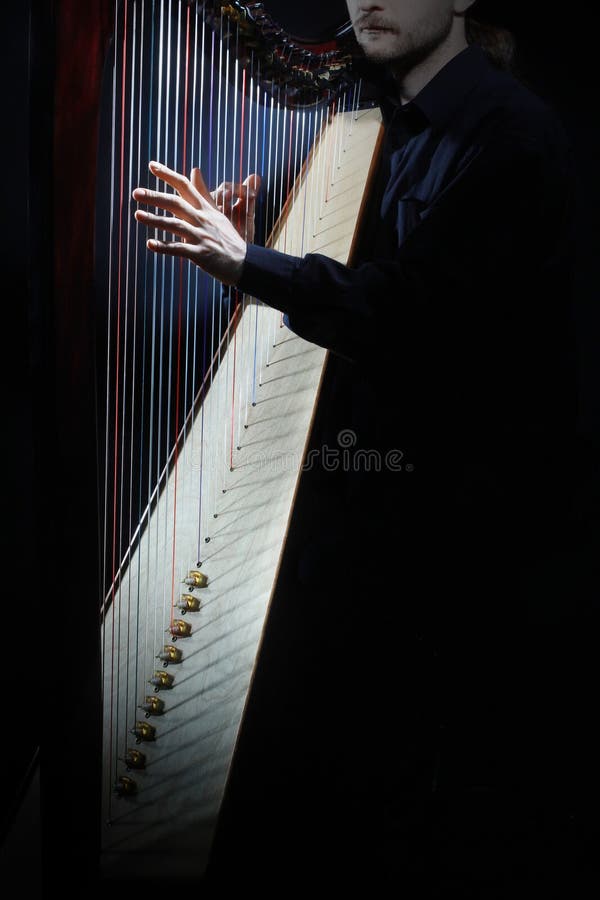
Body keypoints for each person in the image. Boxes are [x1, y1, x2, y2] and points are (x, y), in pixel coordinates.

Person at [132, 1, 585, 891]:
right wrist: (252, 248)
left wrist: (249, 266)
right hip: (397, 514)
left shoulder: (511, 135)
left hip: (476, 548)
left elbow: (412, 311)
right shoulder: (395, 129)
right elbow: (370, 287)